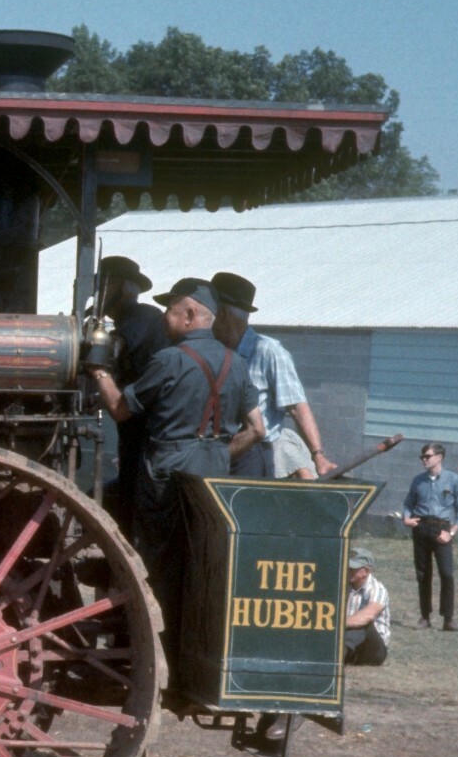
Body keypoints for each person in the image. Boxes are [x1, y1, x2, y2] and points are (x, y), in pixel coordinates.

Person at [92, 277, 262, 644]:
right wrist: (215, 454)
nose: (164, 318)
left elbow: (121, 410)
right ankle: (194, 662)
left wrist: (100, 370)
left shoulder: (169, 360)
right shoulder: (238, 362)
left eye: (169, 311)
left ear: (189, 314)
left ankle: (149, 652)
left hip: (167, 473)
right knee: (200, 565)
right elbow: (258, 429)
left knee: (155, 564)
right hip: (214, 474)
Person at [209, 272, 337, 480]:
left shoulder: (269, 351)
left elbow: (296, 406)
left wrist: (318, 456)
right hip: (219, 451)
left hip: (253, 455)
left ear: (222, 313)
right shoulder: (213, 351)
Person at [85, 255, 166, 541]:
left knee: (136, 504)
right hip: (134, 429)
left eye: (102, 288)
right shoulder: (129, 322)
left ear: (121, 287)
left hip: (149, 432)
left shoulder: (143, 316)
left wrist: (93, 358)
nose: (98, 295)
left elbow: (114, 350)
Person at [402, 442, 458, 631]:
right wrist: (407, 518)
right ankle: (425, 617)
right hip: (421, 527)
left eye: (428, 456)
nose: (424, 460)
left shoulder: (453, 480)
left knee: (447, 574)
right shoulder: (418, 481)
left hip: (442, 529)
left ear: (439, 457)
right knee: (423, 574)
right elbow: (408, 503)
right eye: (422, 457)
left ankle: (448, 619)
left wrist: (452, 532)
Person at [343, 547, 390, 666]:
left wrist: (335, 623)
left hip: (373, 650)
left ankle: (340, 656)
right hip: (351, 643)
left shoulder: (377, 589)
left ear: (366, 571)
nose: (347, 571)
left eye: (352, 569)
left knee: (363, 623)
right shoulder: (342, 586)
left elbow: (368, 615)